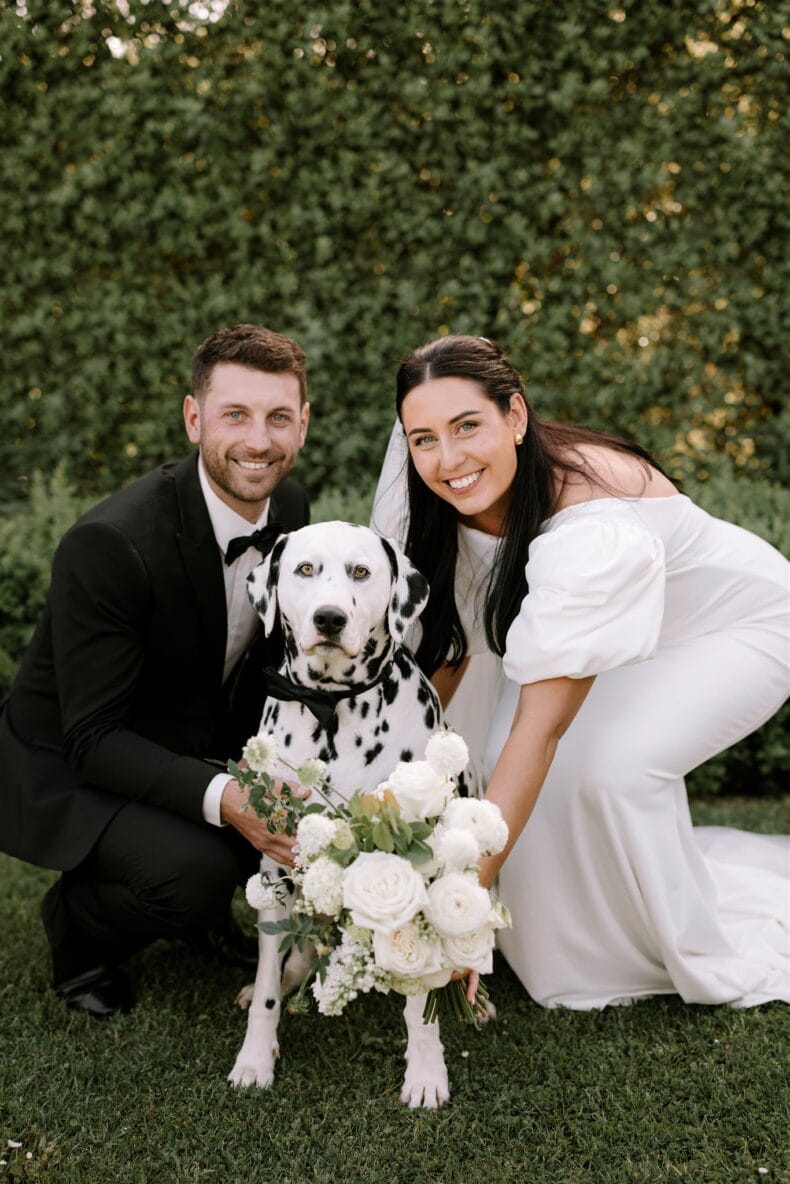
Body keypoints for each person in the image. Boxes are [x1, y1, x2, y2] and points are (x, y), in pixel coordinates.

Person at [372, 334, 789, 1009]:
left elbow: (541, 730)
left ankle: (676, 946)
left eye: (467, 426)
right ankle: (574, 944)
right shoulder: (440, 501)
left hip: (738, 626)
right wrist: (386, 787)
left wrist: (460, 899)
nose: (447, 460)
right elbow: (451, 654)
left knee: (613, 768)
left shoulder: (591, 521)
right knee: (497, 751)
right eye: (424, 439)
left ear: (516, 414)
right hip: (625, 639)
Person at [0, 323, 311, 1017]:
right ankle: (78, 938)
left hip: (177, 728)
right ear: (194, 419)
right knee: (194, 869)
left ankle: (196, 919)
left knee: (282, 820)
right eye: (236, 415)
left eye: (277, 417)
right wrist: (229, 796)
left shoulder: (288, 507)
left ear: (303, 423)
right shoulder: (109, 545)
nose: (259, 440)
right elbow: (91, 737)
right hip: (70, 755)